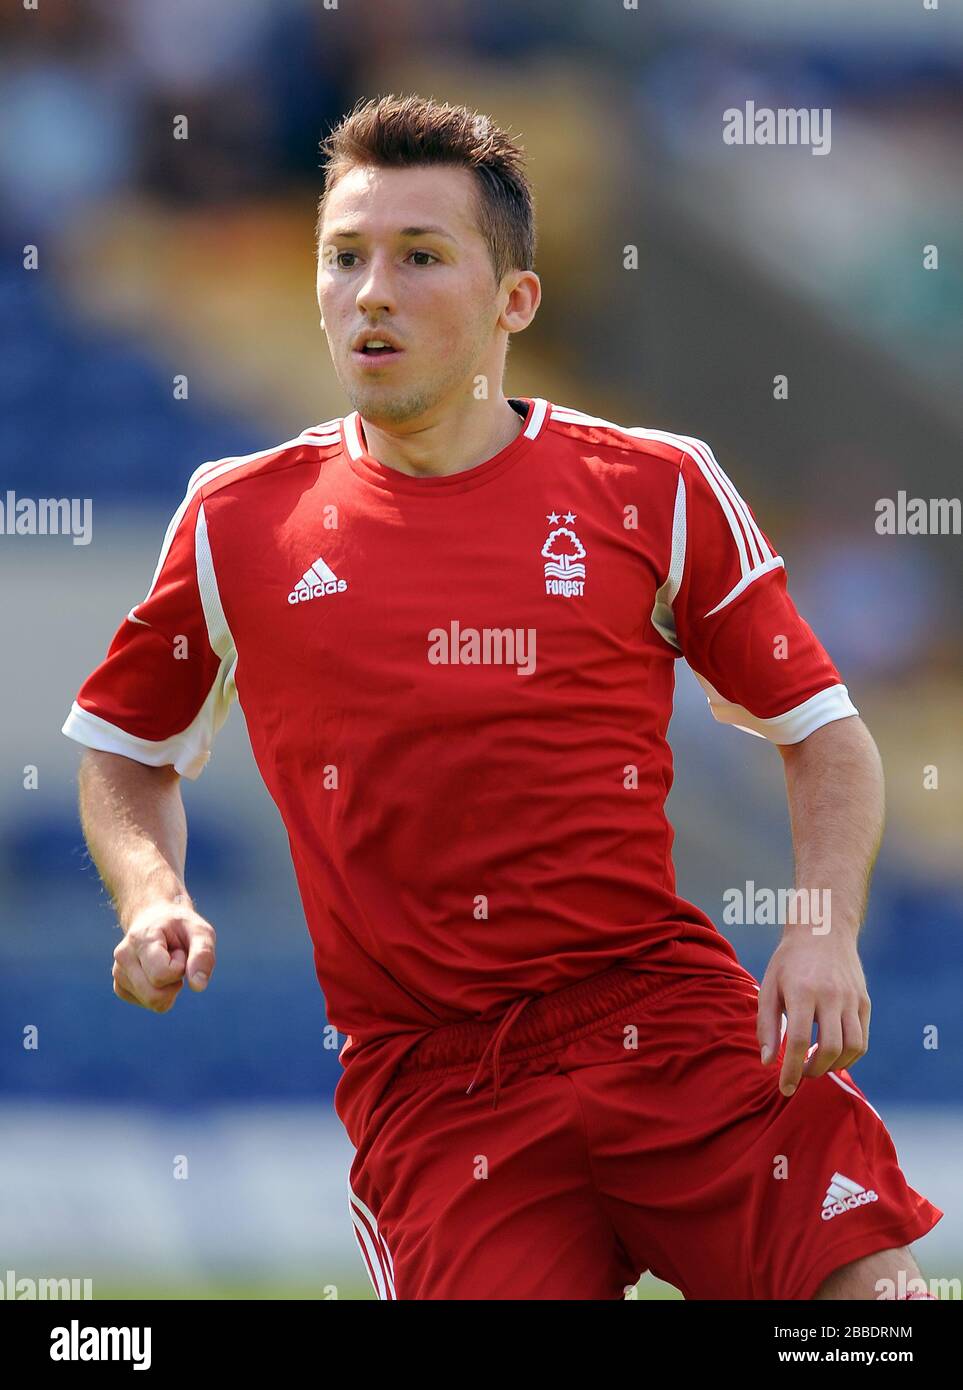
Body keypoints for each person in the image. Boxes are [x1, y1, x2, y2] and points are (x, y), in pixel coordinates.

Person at [62, 94, 942, 1301]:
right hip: (437, 1086)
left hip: (669, 1023)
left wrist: (822, 927)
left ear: (513, 301)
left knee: (876, 1305)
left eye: (420, 257)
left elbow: (824, 733)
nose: (371, 290)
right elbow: (123, 749)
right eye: (343, 257)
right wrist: (151, 892)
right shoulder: (237, 519)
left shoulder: (658, 488)